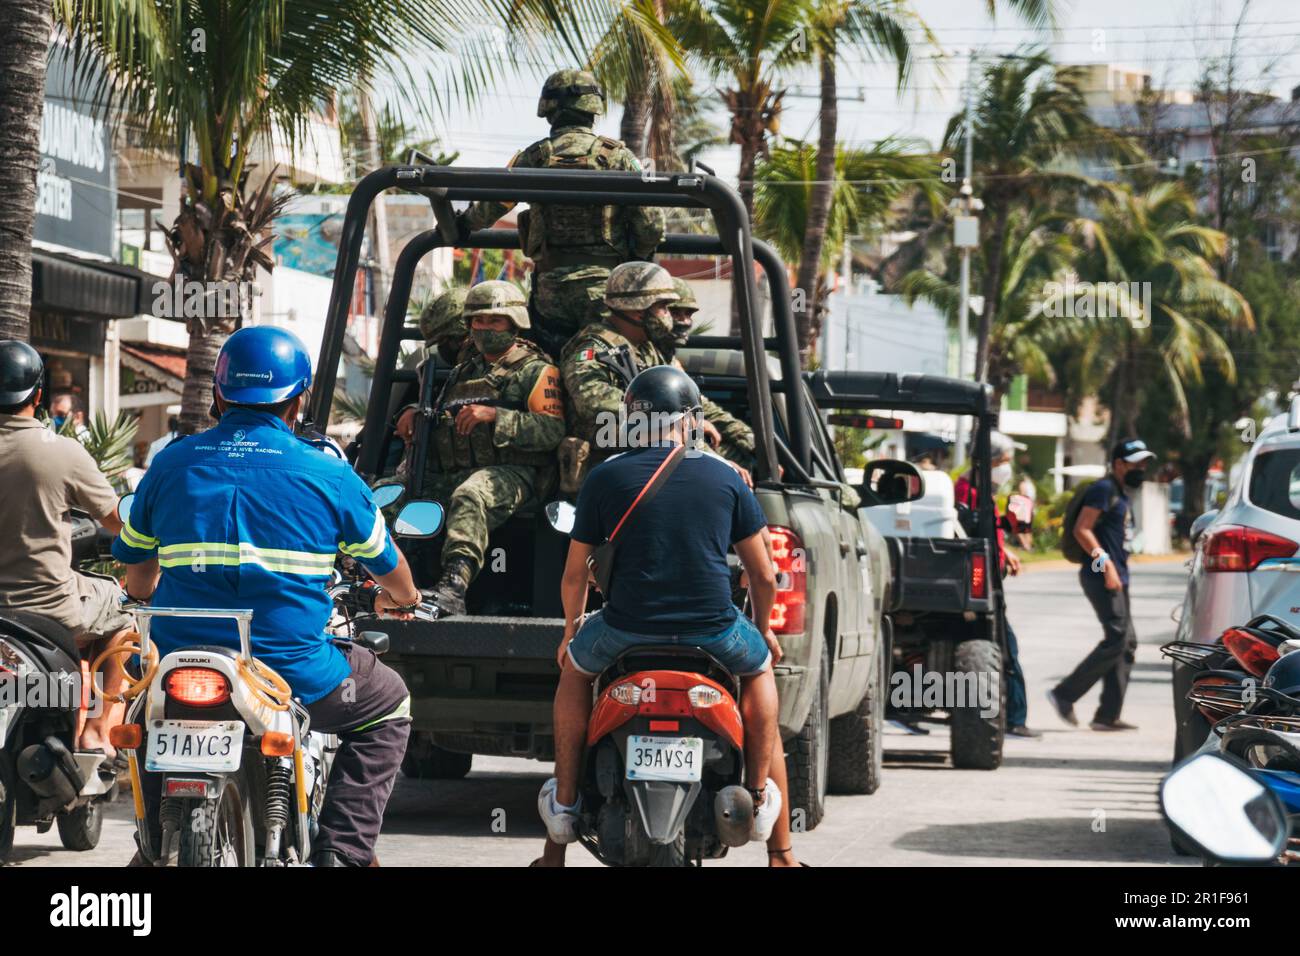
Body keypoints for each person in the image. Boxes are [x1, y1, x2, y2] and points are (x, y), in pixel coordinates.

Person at [112, 326, 421, 867]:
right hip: (292, 672)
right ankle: (342, 852)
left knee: (146, 722)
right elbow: (389, 569)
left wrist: (143, 594)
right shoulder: (327, 471)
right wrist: (405, 597)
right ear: (298, 401)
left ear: (218, 395)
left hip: (172, 660)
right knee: (389, 703)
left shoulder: (171, 463)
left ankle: (152, 846)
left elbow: (136, 567)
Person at [535, 365, 797, 867]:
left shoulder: (605, 476)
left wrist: (571, 631)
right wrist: (761, 631)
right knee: (760, 668)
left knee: (574, 672)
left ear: (633, 419)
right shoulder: (726, 476)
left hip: (624, 630)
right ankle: (761, 803)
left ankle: (565, 805)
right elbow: (764, 577)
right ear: (692, 420)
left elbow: (574, 575)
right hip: (715, 632)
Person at [457, 70, 665, 352]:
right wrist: (635, 258)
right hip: (607, 291)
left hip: (550, 289)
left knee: (551, 363)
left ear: (548, 108)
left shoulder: (533, 157)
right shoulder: (619, 157)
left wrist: (461, 223)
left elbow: (489, 209)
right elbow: (651, 227)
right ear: (595, 109)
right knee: (608, 364)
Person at [0, 340, 134, 760]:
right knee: (125, 608)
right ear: (39, 396)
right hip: (49, 612)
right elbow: (117, 521)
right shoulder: (60, 451)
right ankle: (94, 731)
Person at [420, 280, 566, 616]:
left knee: (472, 495)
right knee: (386, 495)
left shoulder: (536, 370)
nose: (484, 328)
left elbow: (553, 430)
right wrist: (412, 415)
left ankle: (453, 586)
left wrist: (495, 416)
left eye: (494, 320)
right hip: (462, 470)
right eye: (477, 321)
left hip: (517, 474)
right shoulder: (463, 371)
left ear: (514, 323)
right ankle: (360, 579)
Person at [560, 262, 745, 491]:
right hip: (612, 466)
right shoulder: (592, 349)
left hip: (649, 453)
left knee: (743, 459)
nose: (669, 316)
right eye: (664, 307)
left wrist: (749, 440)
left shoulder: (645, 349)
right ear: (639, 310)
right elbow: (595, 403)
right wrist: (709, 455)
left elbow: (686, 399)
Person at [1046, 437, 1155, 732]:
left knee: (1127, 642)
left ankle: (1107, 716)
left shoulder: (1120, 492)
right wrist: (1105, 565)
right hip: (1100, 574)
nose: (1141, 468)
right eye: (1136, 463)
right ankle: (1063, 694)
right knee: (1117, 637)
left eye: (1144, 463)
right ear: (1119, 464)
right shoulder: (1103, 489)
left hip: (1117, 575)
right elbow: (1083, 529)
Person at [954, 431, 1039, 739]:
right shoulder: (969, 491)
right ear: (989, 462)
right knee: (1008, 652)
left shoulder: (977, 489)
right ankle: (1015, 719)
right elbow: (971, 533)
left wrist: (1006, 552)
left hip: (986, 580)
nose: (1008, 468)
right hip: (981, 585)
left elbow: (986, 531)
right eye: (1005, 461)